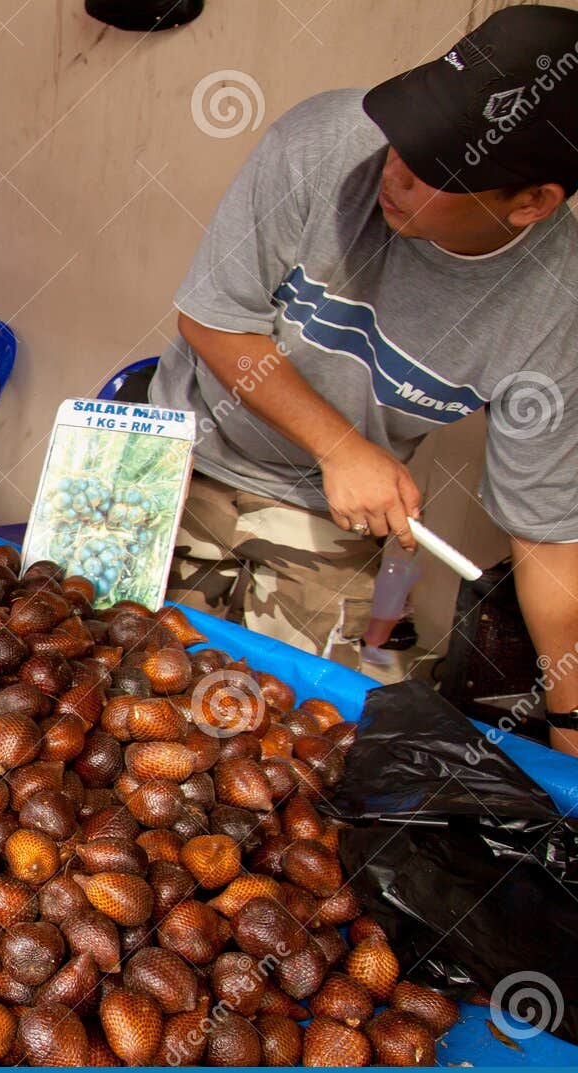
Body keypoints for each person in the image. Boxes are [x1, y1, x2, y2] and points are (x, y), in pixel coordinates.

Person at [131, 5, 578, 754]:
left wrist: (569, 731)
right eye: (404, 137)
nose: (393, 171)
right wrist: (342, 445)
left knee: (297, 742)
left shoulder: (556, 309)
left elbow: (547, 543)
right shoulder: (324, 142)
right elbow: (211, 321)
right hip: (182, 452)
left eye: (436, 169)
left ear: (531, 203)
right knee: (116, 678)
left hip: (324, 515)